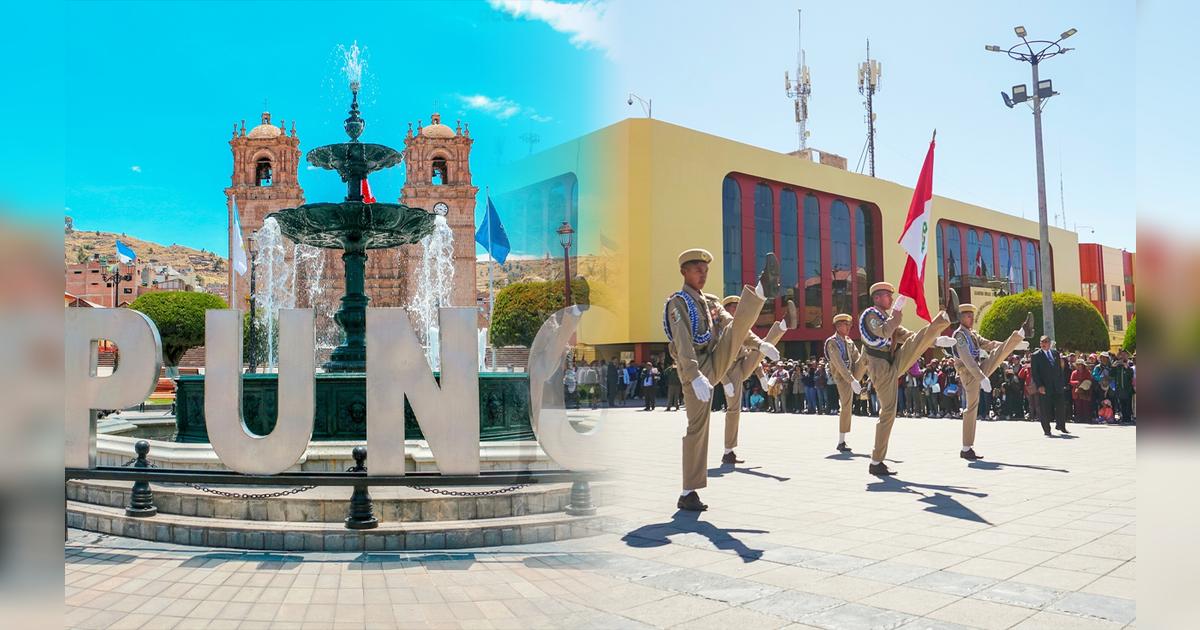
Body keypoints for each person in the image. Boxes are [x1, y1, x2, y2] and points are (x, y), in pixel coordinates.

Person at [664, 248, 779, 511]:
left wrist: (759, 344)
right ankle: (688, 492)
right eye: (697, 270)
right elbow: (682, 342)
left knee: (734, 327)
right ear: (684, 272)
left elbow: (733, 326)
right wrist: (694, 376)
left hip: (716, 356)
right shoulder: (677, 303)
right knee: (697, 426)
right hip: (694, 364)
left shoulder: (713, 302)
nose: (702, 275)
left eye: (705, 271)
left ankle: (760, 290)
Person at [858, 283, 958, 476]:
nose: (891, 299)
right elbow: (884, 332)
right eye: (887, 296)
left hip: (891, 362)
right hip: (879, 366)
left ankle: (945, 316)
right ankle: (876, 461)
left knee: (915, 341)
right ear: (877, 298)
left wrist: (934, 340)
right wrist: (896, 312)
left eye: (890, 296)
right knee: (888, 412)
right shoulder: (870, 315)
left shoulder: (888, 317)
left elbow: (908, 336)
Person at [950, 304, 1033, 460]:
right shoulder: (959, 335)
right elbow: (967, 360)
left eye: (972, 315)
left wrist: (1012, 345)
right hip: (968, 373)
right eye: (968, 316)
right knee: (971, 408)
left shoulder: (972, 334)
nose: (971, 318)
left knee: (996, 354)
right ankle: (966, 448)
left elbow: (990, 344)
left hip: (977, 369)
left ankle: (1021, 333)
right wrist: (982, 378)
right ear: (961, 318)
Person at [717, 298, 787, 463]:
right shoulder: (718, 330)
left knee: (762, 347)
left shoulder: (743, 330)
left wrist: (762, 376)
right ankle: (728, 452)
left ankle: (781, 327)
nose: (736, 311)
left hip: (744, 363)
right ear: (725, 311)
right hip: (728, 368)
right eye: (733, 308)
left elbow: (753, 350)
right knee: (734, 409)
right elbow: (714, 358)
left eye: (738, 308)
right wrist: (724, 380)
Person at [824, 313, 864, 452]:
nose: (848, 327)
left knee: (868, 353)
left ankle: (878, 378)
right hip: (842, 376)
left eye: (849, 325)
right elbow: (839, 363)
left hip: (852, 372)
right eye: (846, 325)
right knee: (846, 405)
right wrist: (852, 380)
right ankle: (841, 441)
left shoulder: (849, 341)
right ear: (838, 325)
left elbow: (858, 358)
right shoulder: (832, 342)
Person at [1030, 335, 1069, 435]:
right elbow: (1035, 373)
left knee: (1060, 406)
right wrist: (1039, 386)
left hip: (1057, 385)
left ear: (1050, 343)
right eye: (1042, 342)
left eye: (1045, 342)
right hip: (1045, 386)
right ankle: (1047, 430)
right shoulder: (1036, 355)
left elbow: (1059, 370)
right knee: (1045, 409)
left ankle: (1061, 426)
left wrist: (1062, 383)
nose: (1043, 344)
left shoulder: (1055, 353)